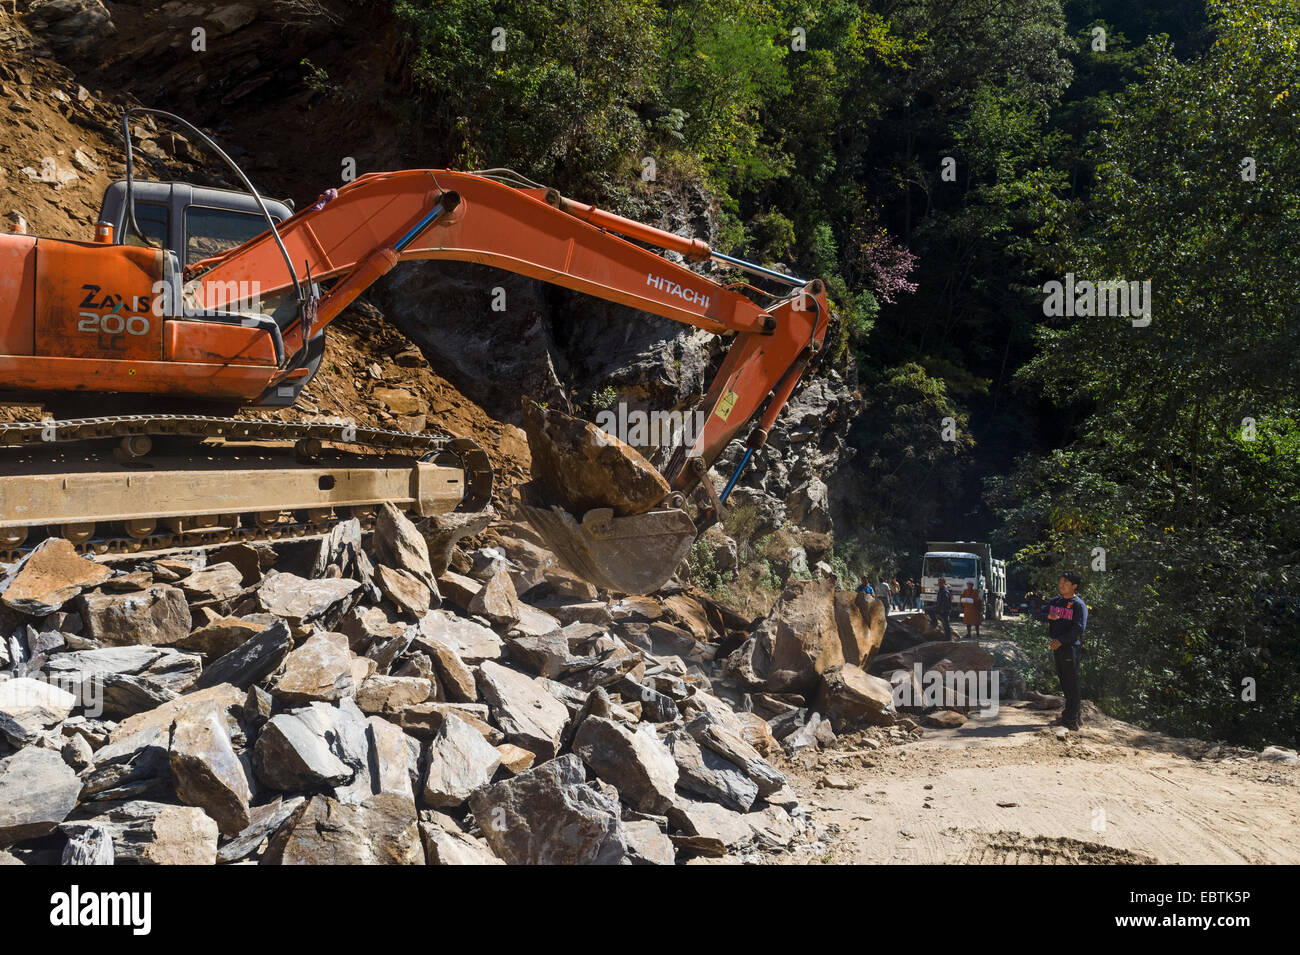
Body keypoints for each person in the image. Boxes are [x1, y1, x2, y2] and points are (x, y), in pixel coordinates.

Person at [1039, 571, 1088, 731]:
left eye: (1065, 583)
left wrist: (1061, 641)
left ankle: (1071, 719)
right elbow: (1038, 613)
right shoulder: (1056, 601)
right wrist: (1048, 617)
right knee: (1064, 682)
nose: (1061, 585)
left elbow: (1078, 629)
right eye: (1060, 582)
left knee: (1071, 682)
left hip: (1070, 647)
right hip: (1057, 646)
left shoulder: (1078, 605)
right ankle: (1071, 715)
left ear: (1074, 586)